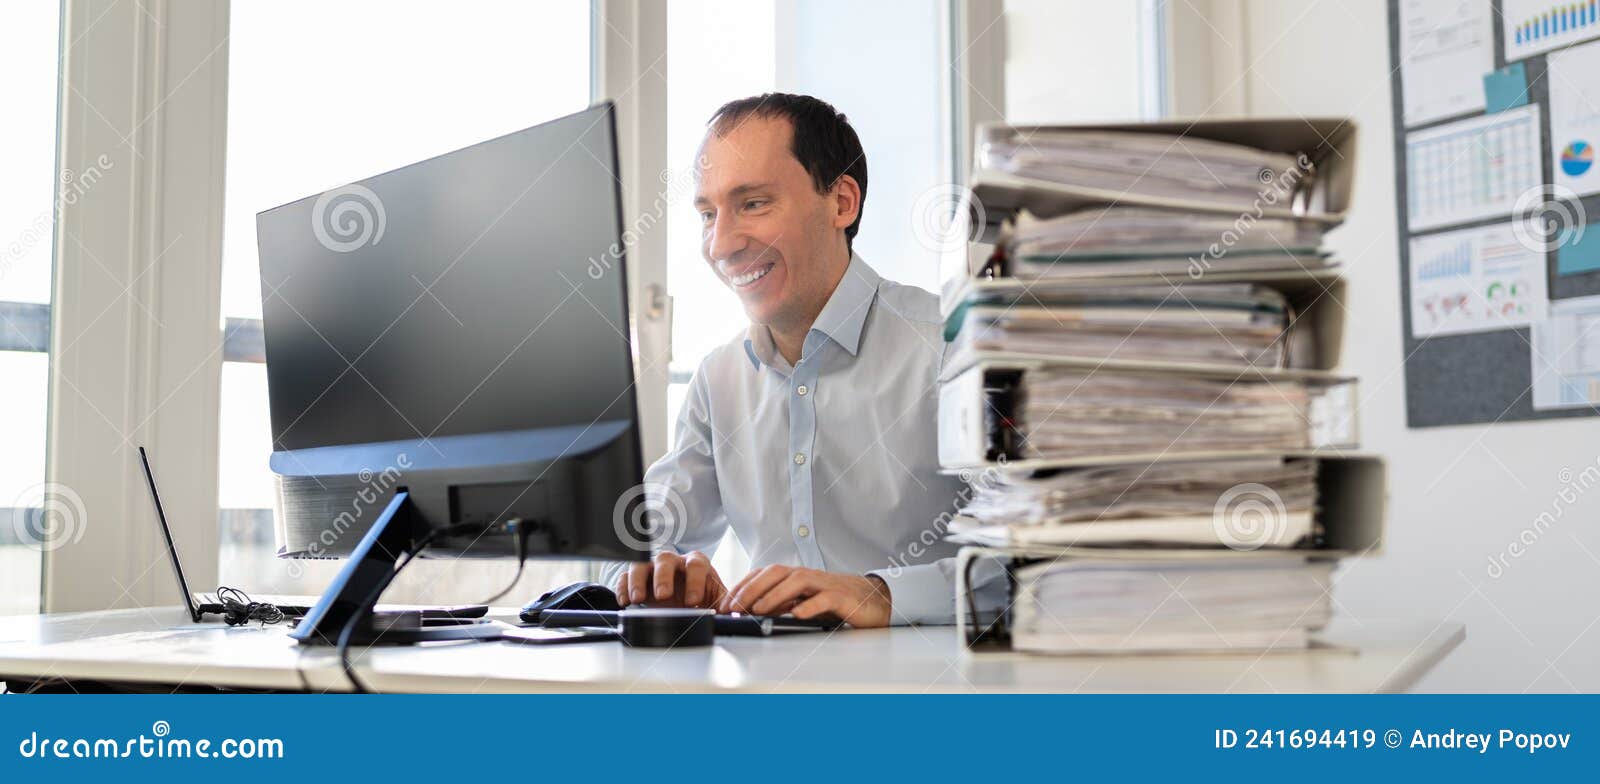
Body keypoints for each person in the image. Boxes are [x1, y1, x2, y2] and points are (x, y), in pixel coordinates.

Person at [610, 93, 994, 627]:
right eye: (708, 214)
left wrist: (882, 595)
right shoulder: (718, 380)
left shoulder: (954, 346)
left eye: (753, 204)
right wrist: (657, 576)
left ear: (842, 203)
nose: (720, 245)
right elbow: (643, 540)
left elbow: (1036, 560)